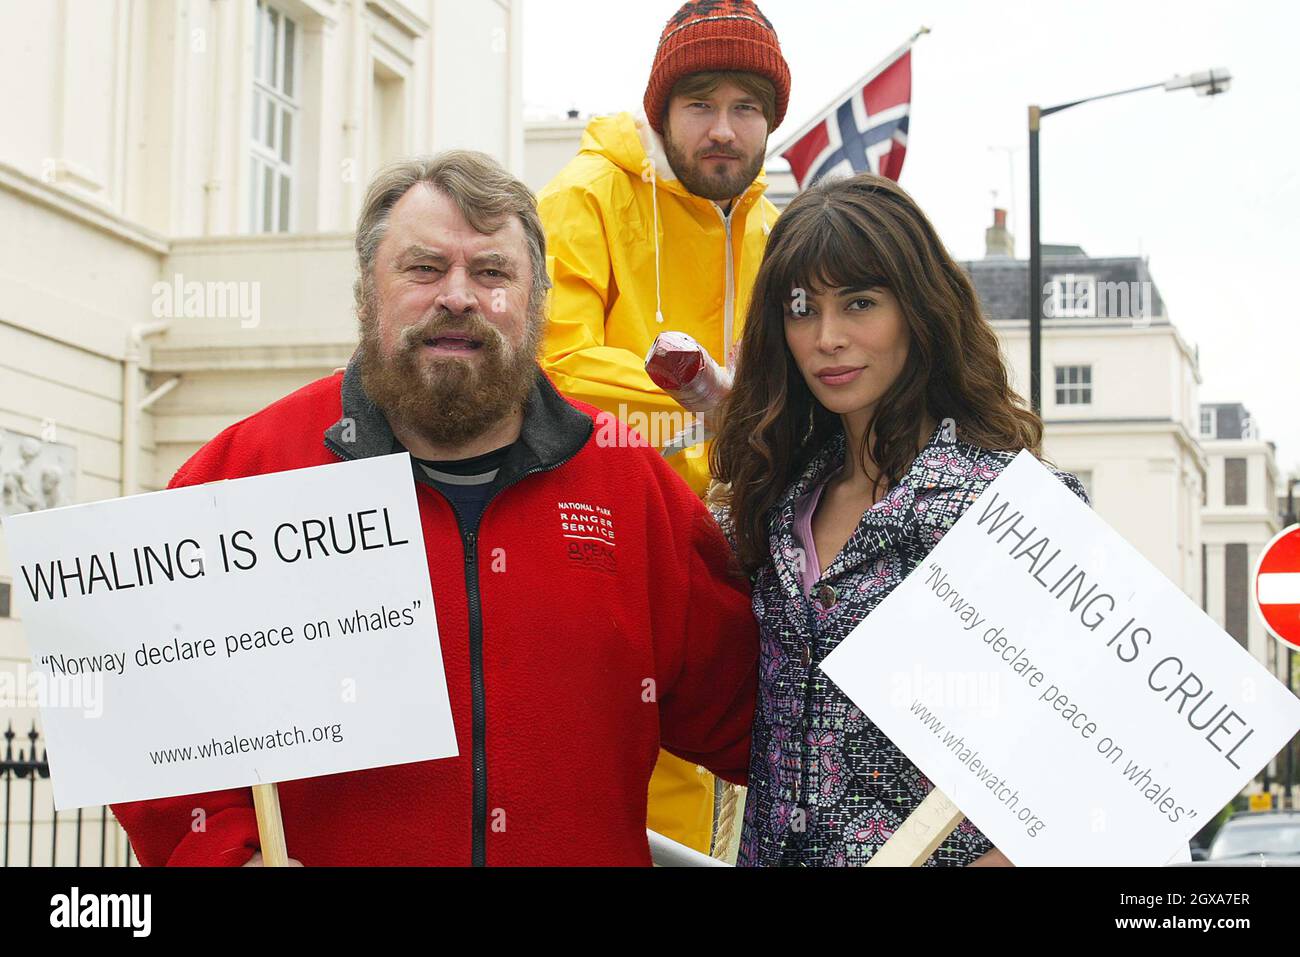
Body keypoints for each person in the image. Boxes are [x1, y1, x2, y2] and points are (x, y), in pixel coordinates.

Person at [110, 151, 758, 866]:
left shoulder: (628, 483)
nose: (459, 296)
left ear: (536, 297)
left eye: (491, 272)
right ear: (367, 291)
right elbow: (148, 711)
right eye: (424, 268)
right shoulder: (250, 472)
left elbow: (757, 718)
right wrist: (225, 858)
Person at [709, 172, 1090, 866]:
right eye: (802, 309)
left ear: (917, 309)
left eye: (859, 303)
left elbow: (1094, 750)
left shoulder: (1003, 506)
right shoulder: (772, 500)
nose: (828, 337)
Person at [536, 0, 788, 853]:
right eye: (700, 103)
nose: (724, 128)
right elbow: (555, 368)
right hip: (616, 541)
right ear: (660, 108)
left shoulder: (779, 230)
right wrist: (706, 400)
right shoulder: (585, 196)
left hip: (744, 551)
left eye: (746, 106)